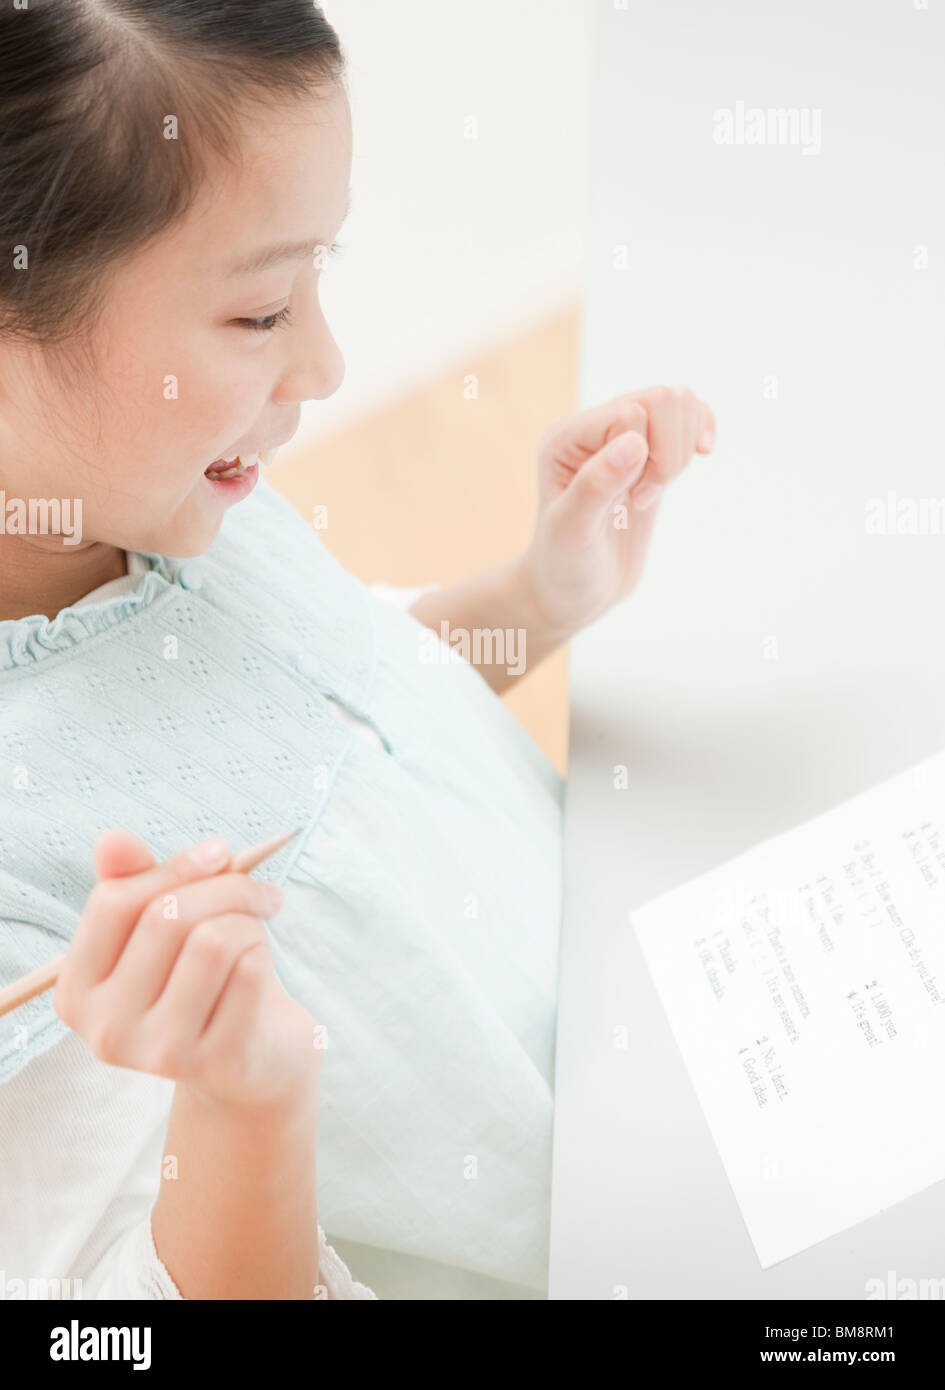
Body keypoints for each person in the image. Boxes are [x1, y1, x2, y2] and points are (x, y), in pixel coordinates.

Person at [0, 0, 715, 1300]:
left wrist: (536, 598)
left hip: (677, 1052)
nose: (325, 364)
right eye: (263, 312)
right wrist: (242, 1099)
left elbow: (340, 719)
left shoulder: (172, 495)